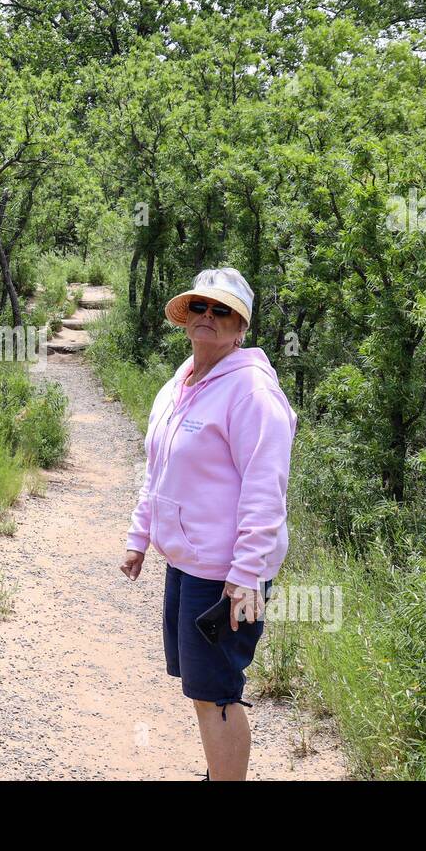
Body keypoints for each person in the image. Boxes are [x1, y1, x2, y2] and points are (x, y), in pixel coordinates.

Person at [119, 267, 297, 780]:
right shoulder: (181, 383)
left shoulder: (252, 394)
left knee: (217, 693)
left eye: (222, 311)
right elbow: (158, 469)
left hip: (227, 575)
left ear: (241, 328)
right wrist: (140, 538)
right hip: (187, 564)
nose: (208, 317)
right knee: (200, 687)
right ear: (187, 316)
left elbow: (267, 493)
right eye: (200, 307)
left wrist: (245, 578)